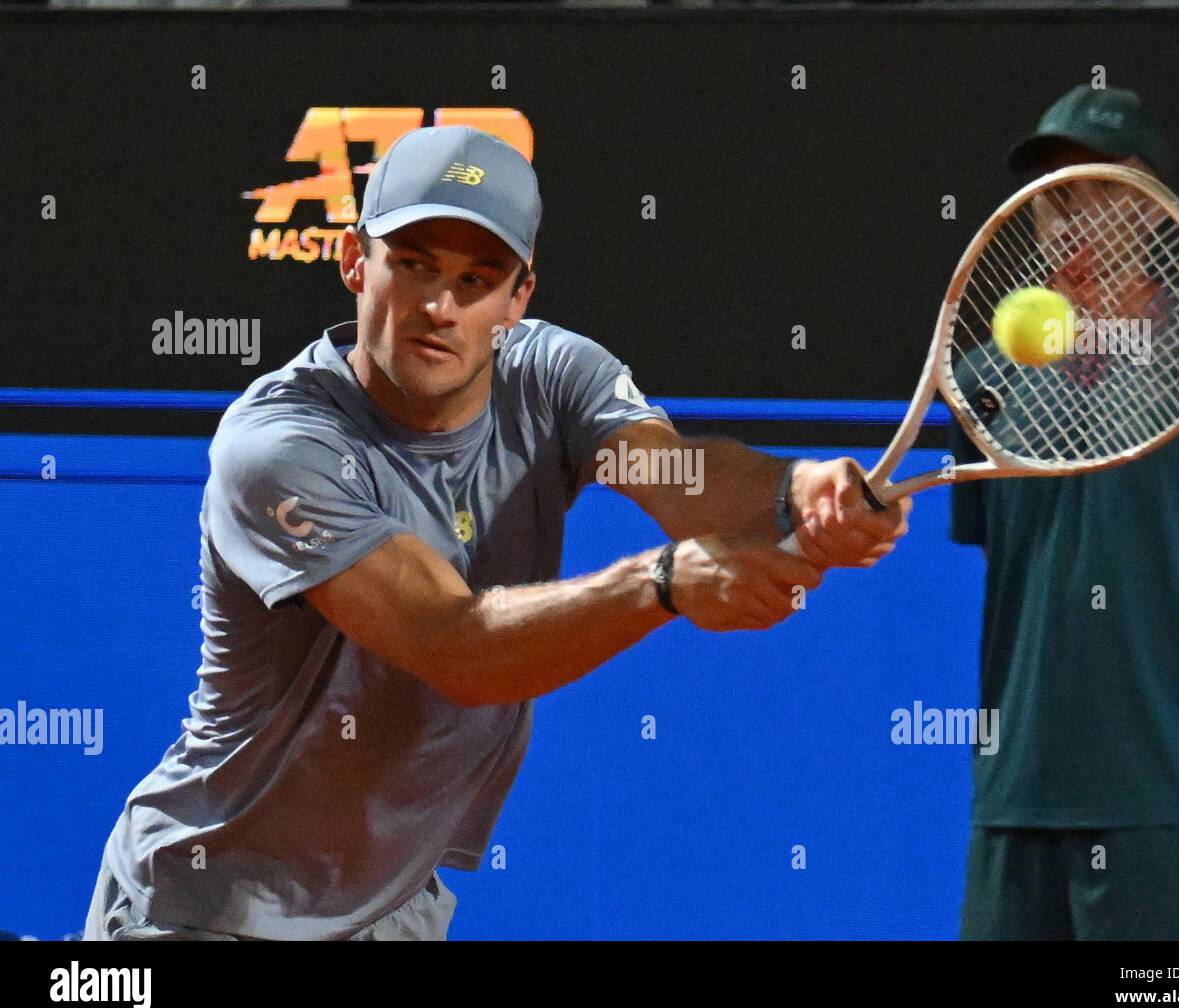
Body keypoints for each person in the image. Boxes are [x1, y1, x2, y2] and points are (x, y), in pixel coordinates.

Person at [82, 125, 908, 941]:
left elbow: (671, 473)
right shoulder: (279, 448)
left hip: (391, 904)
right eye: (413, 266)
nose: (440, 306)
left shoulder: (554, 375)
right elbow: (457, 649)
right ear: (352, 262)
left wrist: (796, 490)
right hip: (210, 903)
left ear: (518, 298)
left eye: (477, 279)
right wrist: (662, 584)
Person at [950, 85, 1179, 941]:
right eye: (1045, 201)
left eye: (1084, 195)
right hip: (1016, 806)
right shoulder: (985, 377)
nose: (1058, 221)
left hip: (1174, 810)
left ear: (1148, 210)